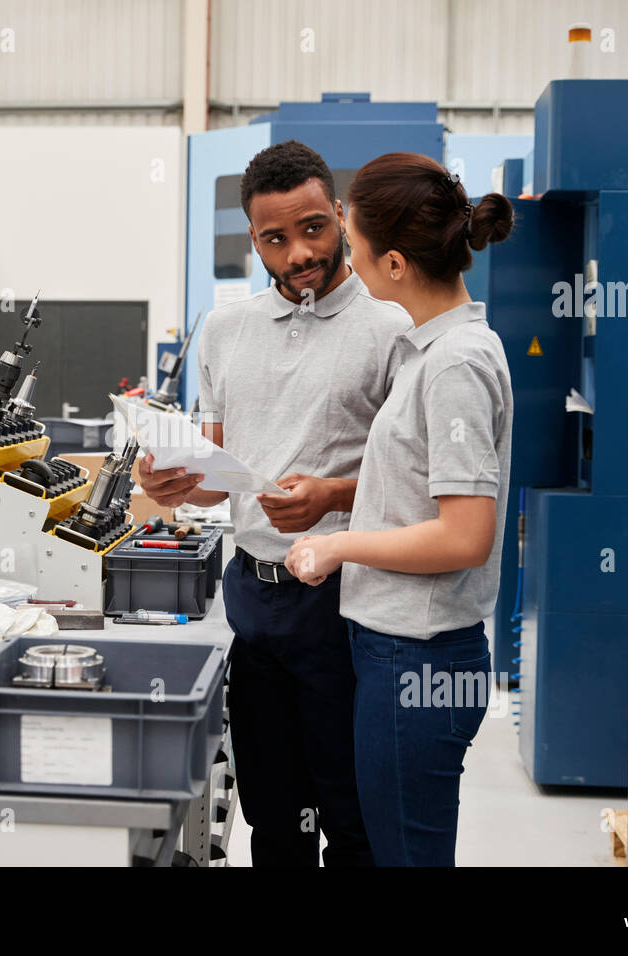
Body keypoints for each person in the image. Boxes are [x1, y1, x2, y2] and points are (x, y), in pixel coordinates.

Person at [137, 141, 409, 867]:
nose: (299, 253)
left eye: (314, 228)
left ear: (343, 218)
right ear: (253, 240)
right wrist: (170, 481)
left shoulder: (392, 329)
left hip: (349, 605)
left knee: (352, 816)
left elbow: (419, 485)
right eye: (275, 239)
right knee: (273, 814)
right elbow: (219, 472)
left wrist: (335, 495)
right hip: (252, 601)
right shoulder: (225, 332)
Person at [284, 153, 515, 866]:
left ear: (390, 265)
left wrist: (337, 546)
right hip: (397, 648)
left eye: (350, 246)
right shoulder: (431, 352)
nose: (342, 260)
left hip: (417, 655)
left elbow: (464, 535)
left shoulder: (455, 365)